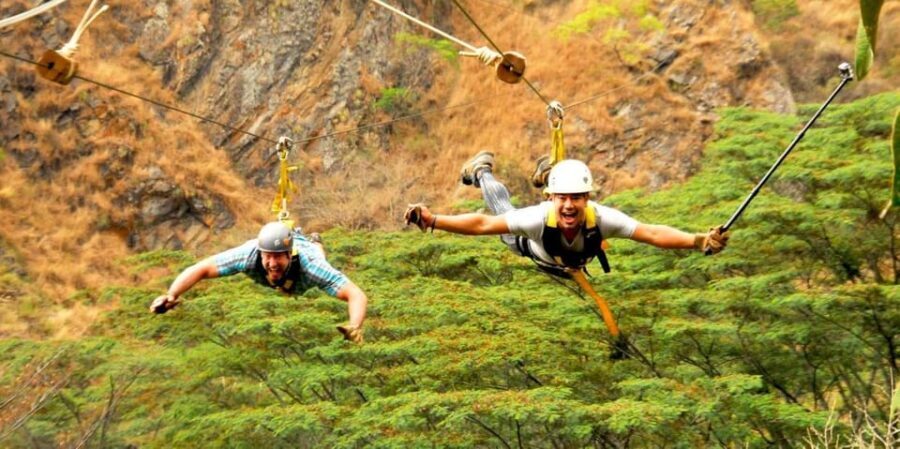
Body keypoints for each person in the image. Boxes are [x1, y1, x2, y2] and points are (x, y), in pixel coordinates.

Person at [404, 152, 728, 277]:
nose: (570, 206)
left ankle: (549, 171)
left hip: (570, 264)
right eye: (563, 198)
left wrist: (698, 240)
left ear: (588, 198)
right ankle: (481, 172)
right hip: (529, 247)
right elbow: (483, 223)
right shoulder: (537, 218)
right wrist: (434, 221)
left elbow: (652, 234)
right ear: (552, 197)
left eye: (577, 198)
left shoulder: (601, 219)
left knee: (530, 212)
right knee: (505, 213)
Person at [149, 221, 368, 343]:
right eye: (268, 257)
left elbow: (355, 294)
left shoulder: (311, 266)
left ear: (289, 255)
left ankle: (314, 240)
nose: (272, 263)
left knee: (318, 253)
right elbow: (202, 268)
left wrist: (355, 326)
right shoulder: (248, 255)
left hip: (307, 256)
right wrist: (172, 295)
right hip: (284, 269)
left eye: (278, 257)